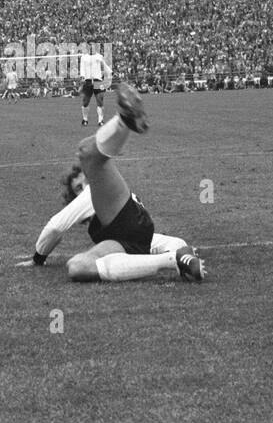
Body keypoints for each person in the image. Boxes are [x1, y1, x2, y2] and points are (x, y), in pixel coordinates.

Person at [18, 84, 206, 282]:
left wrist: (37, 259)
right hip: (126, 237)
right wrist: (180, 253)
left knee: (85, 152)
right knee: (77, 267)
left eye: (85, 183)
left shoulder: (91, 195)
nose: (85, 189)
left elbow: (56, 227)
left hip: (126, 221)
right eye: (79, 189)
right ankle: (173, 261)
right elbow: (170, 242)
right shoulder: (103, 222)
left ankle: (125, 120)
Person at [78, 49, 112, 126]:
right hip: (88, 81)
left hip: (98, 80)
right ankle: (85, 119)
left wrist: (110, 72)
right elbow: (82, 68)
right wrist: (82, 77)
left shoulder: (99, 56)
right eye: (89, 45)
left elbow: (105, 65)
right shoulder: (84, 57)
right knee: (85, 101)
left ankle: (100, 120)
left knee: (100, 100)